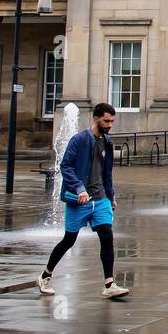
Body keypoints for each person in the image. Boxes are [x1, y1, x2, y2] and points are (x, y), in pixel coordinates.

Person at [37, 102, 129, 299]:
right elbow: (66, 166)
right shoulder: (79, 140)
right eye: (106, 121)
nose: (110, 125)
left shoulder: (108, 141)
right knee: (69, 240)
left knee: (107, 236)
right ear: (96, 119)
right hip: (80, 200)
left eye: (112, 121)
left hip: (100, 199)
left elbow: (107, 173)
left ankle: (109, 284)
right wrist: (79, 189)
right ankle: (45, 276)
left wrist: (111, 196)